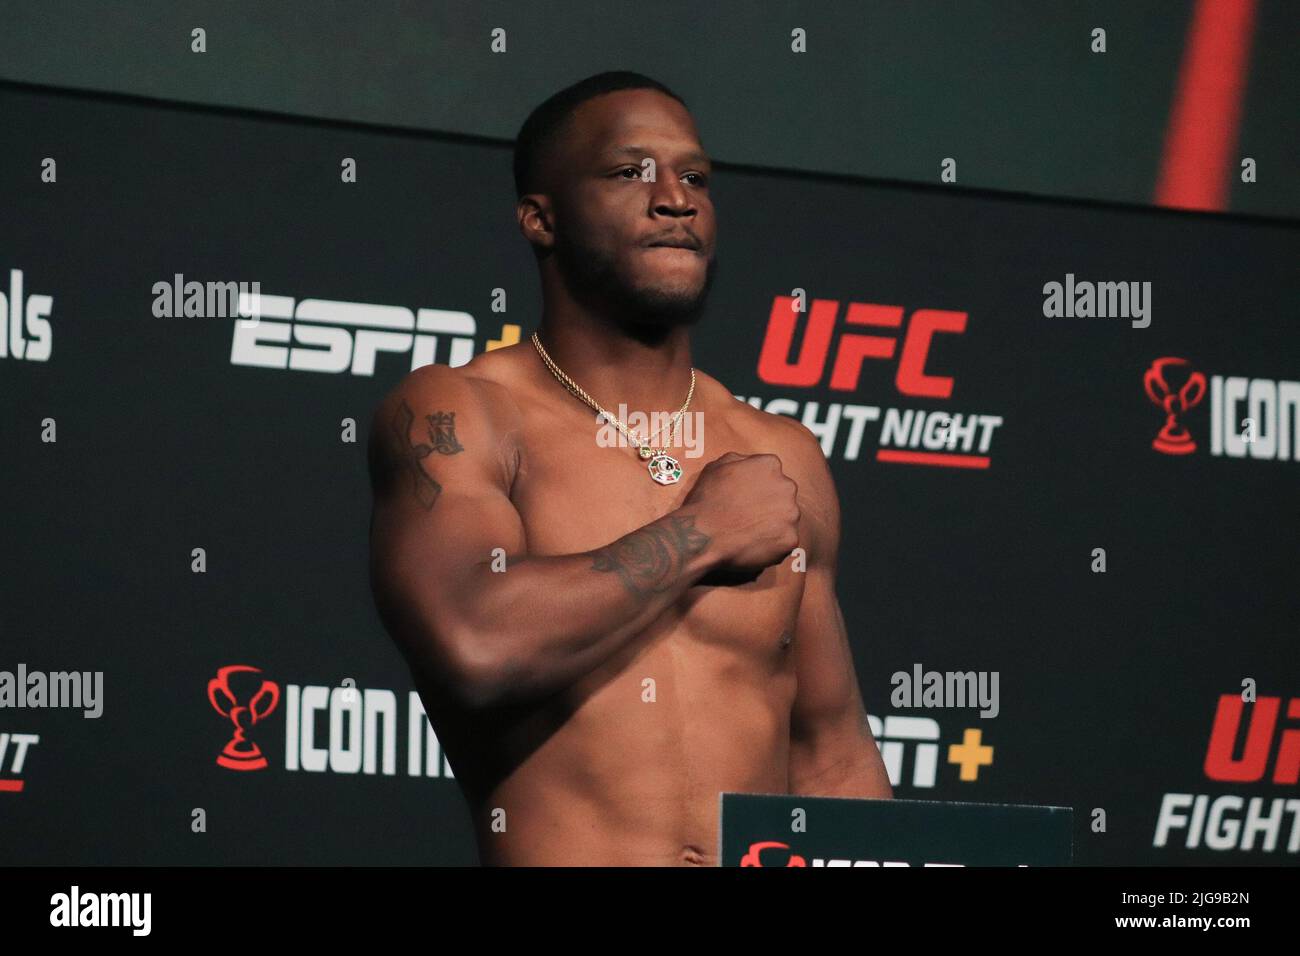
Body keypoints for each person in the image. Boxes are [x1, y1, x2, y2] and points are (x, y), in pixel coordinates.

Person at [367, 71, 892, 866]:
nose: (675, 198)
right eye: (628, 172)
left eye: (695, 177)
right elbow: (474, 643)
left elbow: (833, 755)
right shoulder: (464, 414)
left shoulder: (782, 454)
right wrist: (700, 533)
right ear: (540, 218)